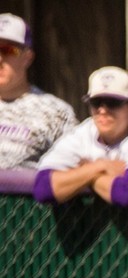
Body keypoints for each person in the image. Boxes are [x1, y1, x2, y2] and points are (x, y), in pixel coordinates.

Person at [32, 66, 128, 208]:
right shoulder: (82, 133)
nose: (103, 110)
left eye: (113, 103)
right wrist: (100, 167)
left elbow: (127, 194)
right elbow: (43, 189)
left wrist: (81, 175)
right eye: (96, 103)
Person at [0, 12, 77, 169]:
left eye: (8, 50)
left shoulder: (57, 113)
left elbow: (73, 173)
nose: (0, 59)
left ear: (27, 58)